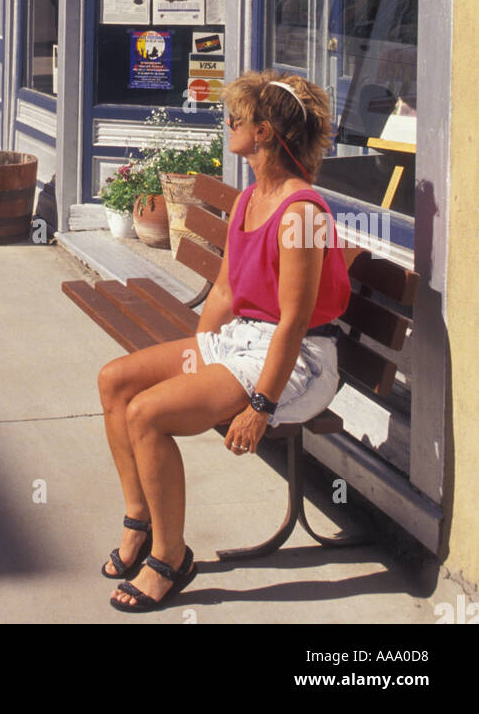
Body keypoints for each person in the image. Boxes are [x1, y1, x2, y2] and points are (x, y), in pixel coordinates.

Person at [99, 70, 351, 612]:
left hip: (298, 358)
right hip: (244, 341)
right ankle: (139, 522)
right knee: (116, 381)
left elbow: (293, 321)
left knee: (146, 414)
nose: (227, 122)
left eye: (237, 117)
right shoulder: (248, 201)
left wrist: (260, 406)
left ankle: (170, 560)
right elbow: (226, 289)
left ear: (263, 133)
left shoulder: (302, 213)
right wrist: (199, 357)